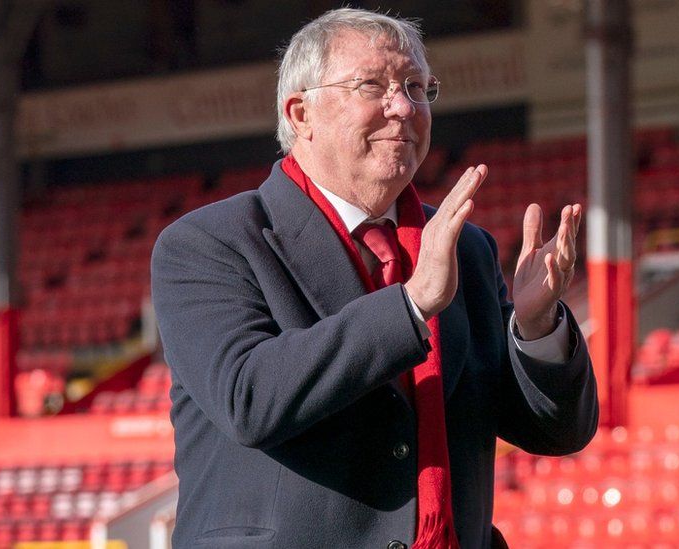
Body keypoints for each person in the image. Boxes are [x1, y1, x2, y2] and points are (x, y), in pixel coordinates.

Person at [151, 8, 598, 548]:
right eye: (373, 86)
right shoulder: (209, 244)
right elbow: (248, 400)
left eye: (417, 86)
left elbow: (556, 431)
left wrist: (536, 327)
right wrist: (410, 307)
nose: (405, 107)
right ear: (301, 114)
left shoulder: (466, 249)